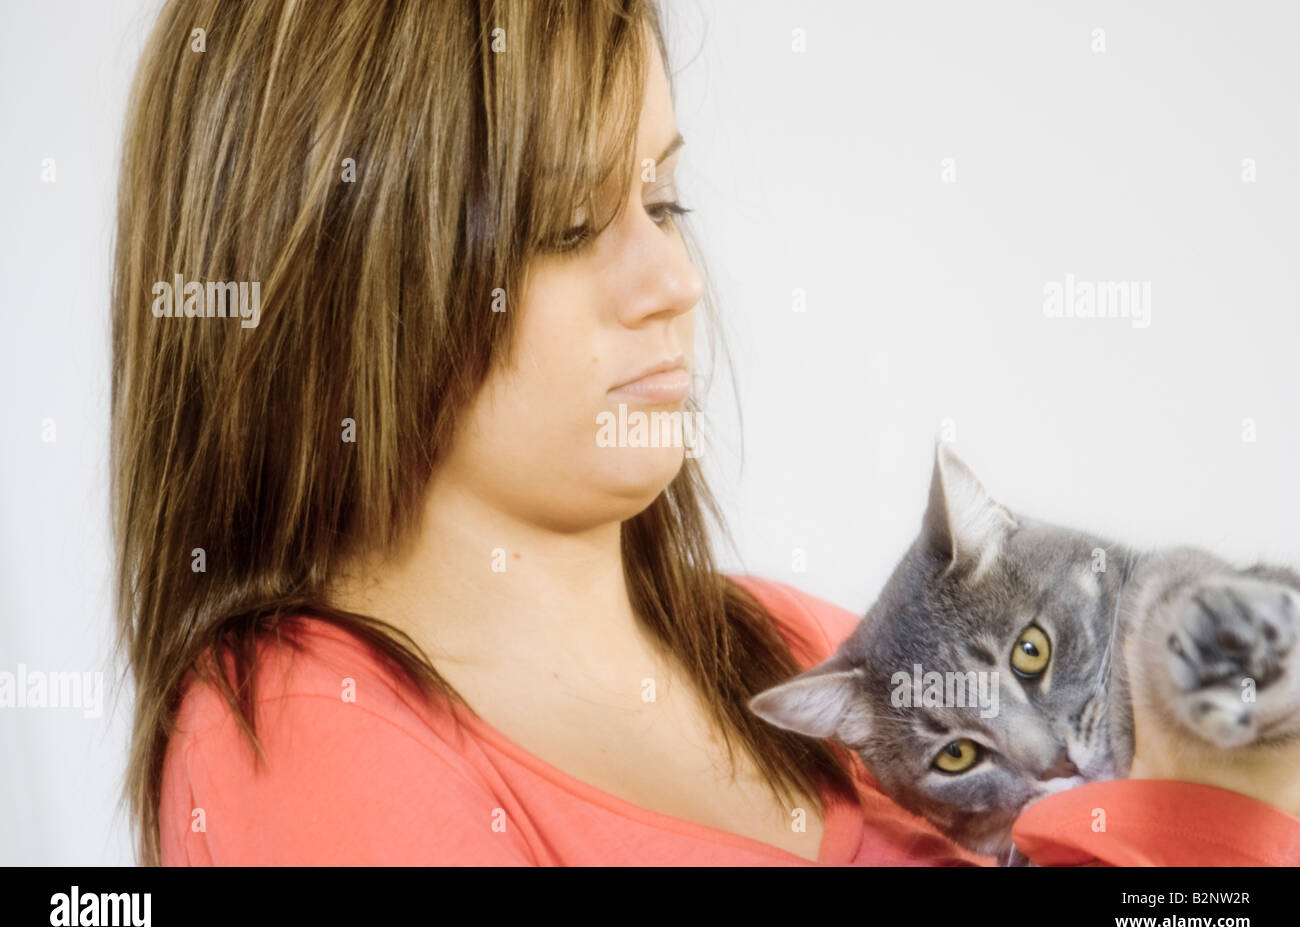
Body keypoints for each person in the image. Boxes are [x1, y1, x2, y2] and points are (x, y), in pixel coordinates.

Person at [111, 0, 1299, 866]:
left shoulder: (802, 646)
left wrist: (1236, 787)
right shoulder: (296, 730)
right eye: (571, 226)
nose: (672, 278)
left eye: (663, 200)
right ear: (335, 268)